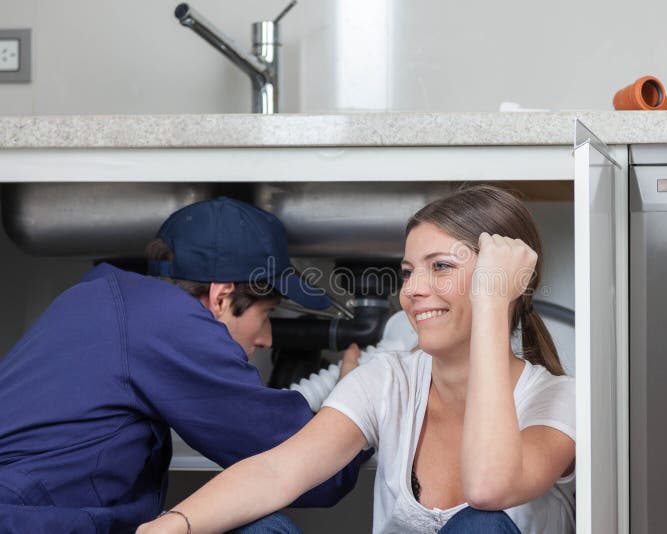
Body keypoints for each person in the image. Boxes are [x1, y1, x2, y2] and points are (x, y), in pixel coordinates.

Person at [138, 185, 576, 534]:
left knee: (479, 526)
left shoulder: (557, 400)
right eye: (407, 272)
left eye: (440, 266)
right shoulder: (388, 379)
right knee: (262, 527)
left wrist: (493, 306)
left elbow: (488, 488)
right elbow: (276, 471)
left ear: (501, 284)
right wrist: (172, 526)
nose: (413, 290)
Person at [0, 197, 369, 534]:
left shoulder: (107, 299)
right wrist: (358, 401)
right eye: (266, 313)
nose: (267, 339)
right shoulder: (168, 324)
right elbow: (317, 474)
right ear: (221, 296)